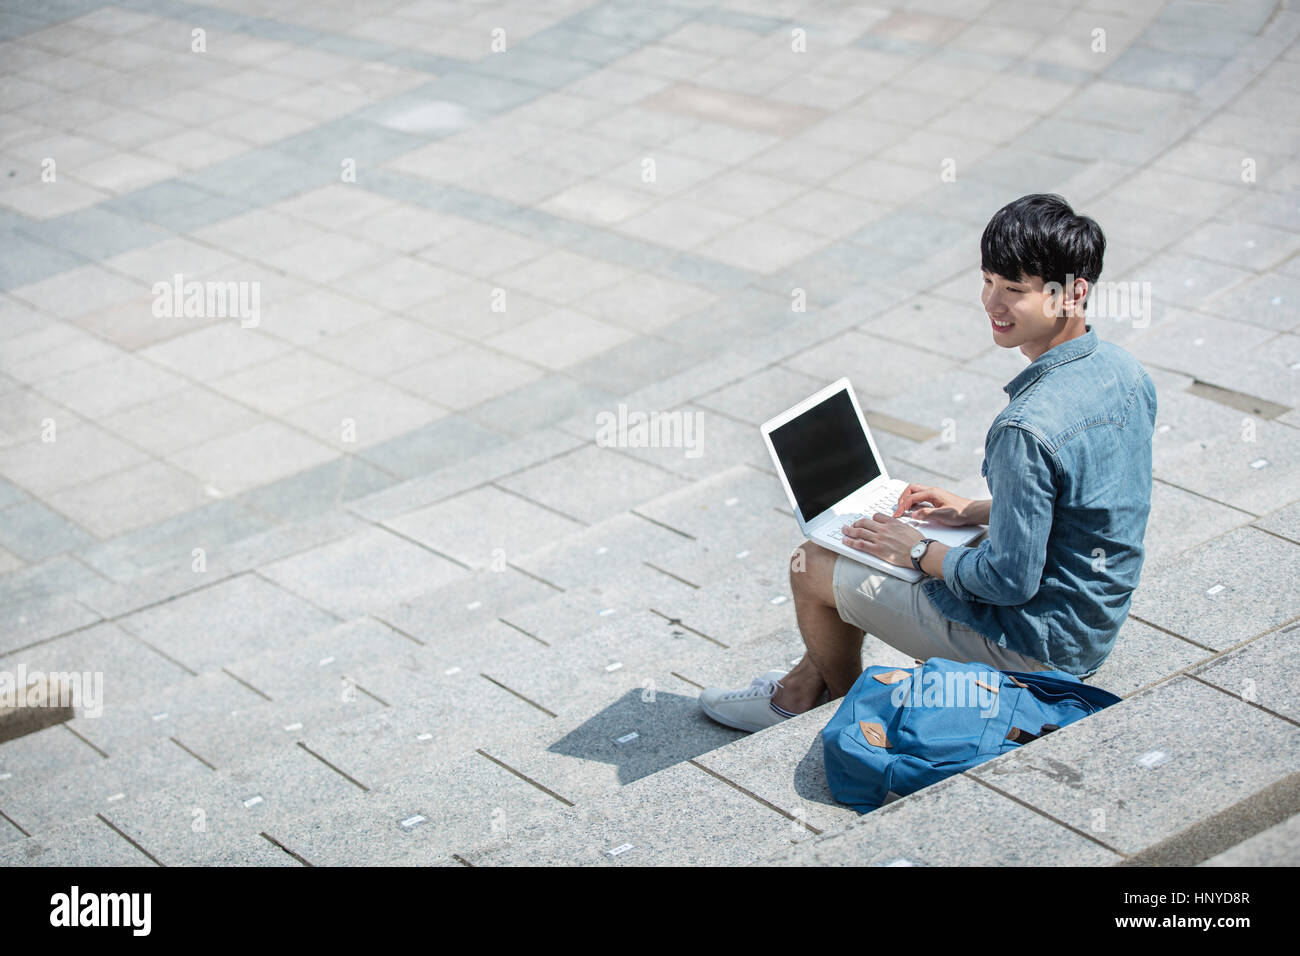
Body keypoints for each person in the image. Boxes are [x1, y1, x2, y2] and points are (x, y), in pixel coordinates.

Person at [700, 193, 1157, 733]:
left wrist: (916, 550)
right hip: (1090, 624)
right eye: (987, 280)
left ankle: (854, 721)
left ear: (1073, 292)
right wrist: (979, 510)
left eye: (1014, 290)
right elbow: (1092, 498)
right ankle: (800, 688)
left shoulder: (1024, 428)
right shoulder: (1125, 373)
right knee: (858, 549)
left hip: (1036, 651)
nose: (992, 303)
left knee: (812, 564)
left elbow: (1009, 581)